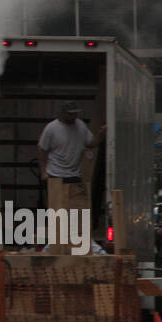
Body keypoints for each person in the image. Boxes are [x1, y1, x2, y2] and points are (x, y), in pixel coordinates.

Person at [37, 103, 106, 255]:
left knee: (76, 212)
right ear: (63, 113)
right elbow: (42, 150)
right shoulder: (52, 128)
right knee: (58, 212)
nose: (73, 117)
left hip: (74, 175)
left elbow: (90, 143)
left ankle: (79, 241)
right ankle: (53, 245)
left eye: (75, 114)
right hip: (55, 175)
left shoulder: (80, 126)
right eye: (70, 114)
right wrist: (43, 172)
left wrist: (100, 136)